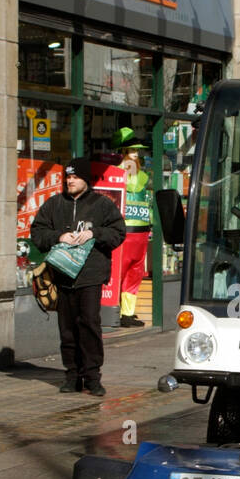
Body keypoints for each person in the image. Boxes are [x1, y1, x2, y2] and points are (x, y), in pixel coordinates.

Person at [30, 158, 127, 396]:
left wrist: (94, 233)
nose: (70, 181)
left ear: (86, 179)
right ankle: (72, 375)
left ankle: (93, 377)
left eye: (75, 177)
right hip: (62, 276)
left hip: (90, 276)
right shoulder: (55, 204)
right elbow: (38, 232)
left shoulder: (102, 205)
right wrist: (58, 237)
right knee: (67, 328)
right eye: (68, 177)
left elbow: (118, 232)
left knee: (90, 325)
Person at [112, 127, 151, 328]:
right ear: (123, 152)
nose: (136, 154)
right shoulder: (118, 174)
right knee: (122, 270)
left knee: (134, 273)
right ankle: (116, 310)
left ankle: (128, 312)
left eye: (137, 151)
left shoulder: (140, 174)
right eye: (131, 150)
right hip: (126, 231)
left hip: (140, 231)